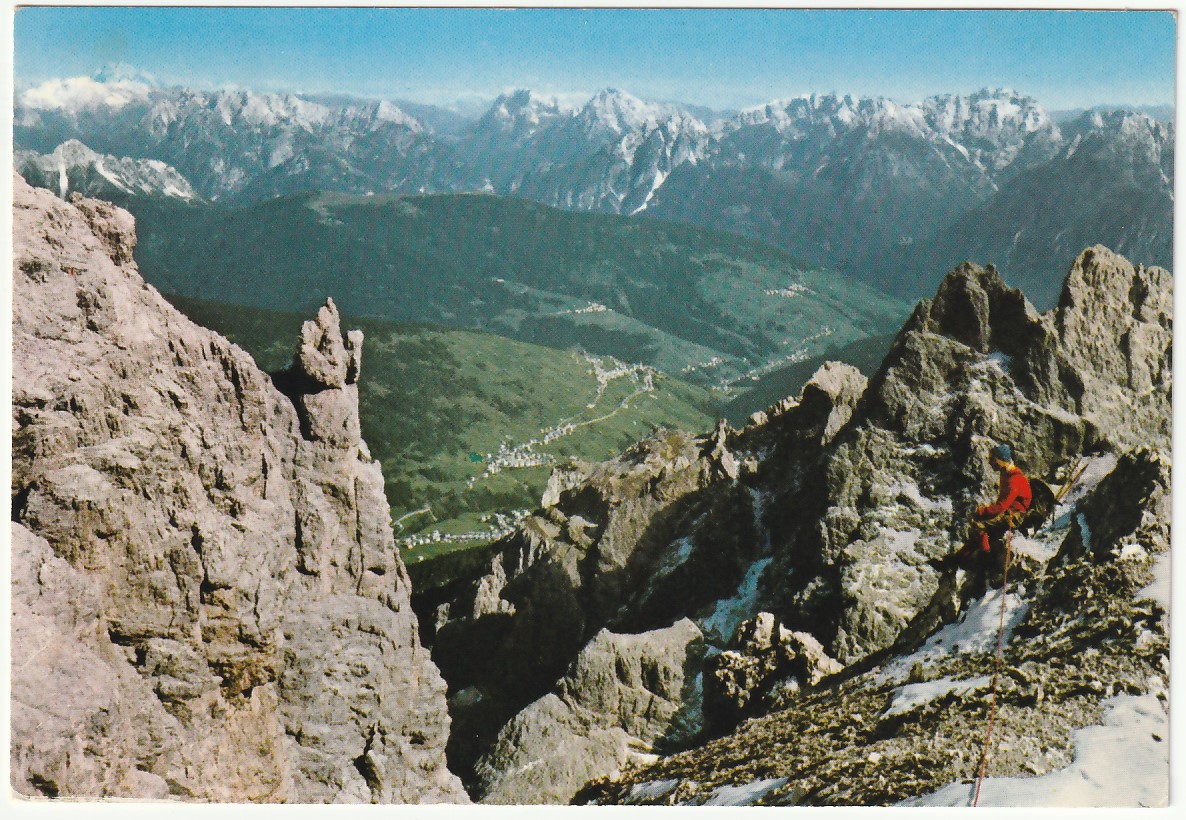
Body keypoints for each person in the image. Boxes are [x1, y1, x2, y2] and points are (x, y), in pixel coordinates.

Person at [955, 443, 1032, 582]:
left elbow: (1002, 506)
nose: (991, 463)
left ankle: (986, 556)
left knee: (978, 525)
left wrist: (982, 512)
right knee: (978, 525)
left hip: (1014, 515)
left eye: (993, 459)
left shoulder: (1014, 479)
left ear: (1003, 459)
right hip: (1008, 511)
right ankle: (962, 557)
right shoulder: (1007, 474)